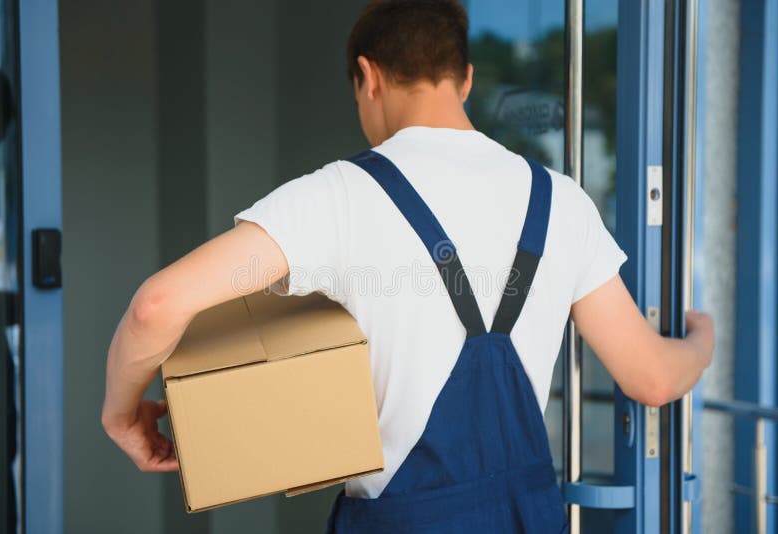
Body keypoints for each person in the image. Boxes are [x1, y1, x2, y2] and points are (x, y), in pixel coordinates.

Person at [101, 0, 714, 531]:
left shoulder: (340, 196)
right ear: (465, 80)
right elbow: (653, 379)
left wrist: (123, 416)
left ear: (368, 77)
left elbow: (157, 306)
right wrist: (704, 340)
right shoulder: (562, 202)